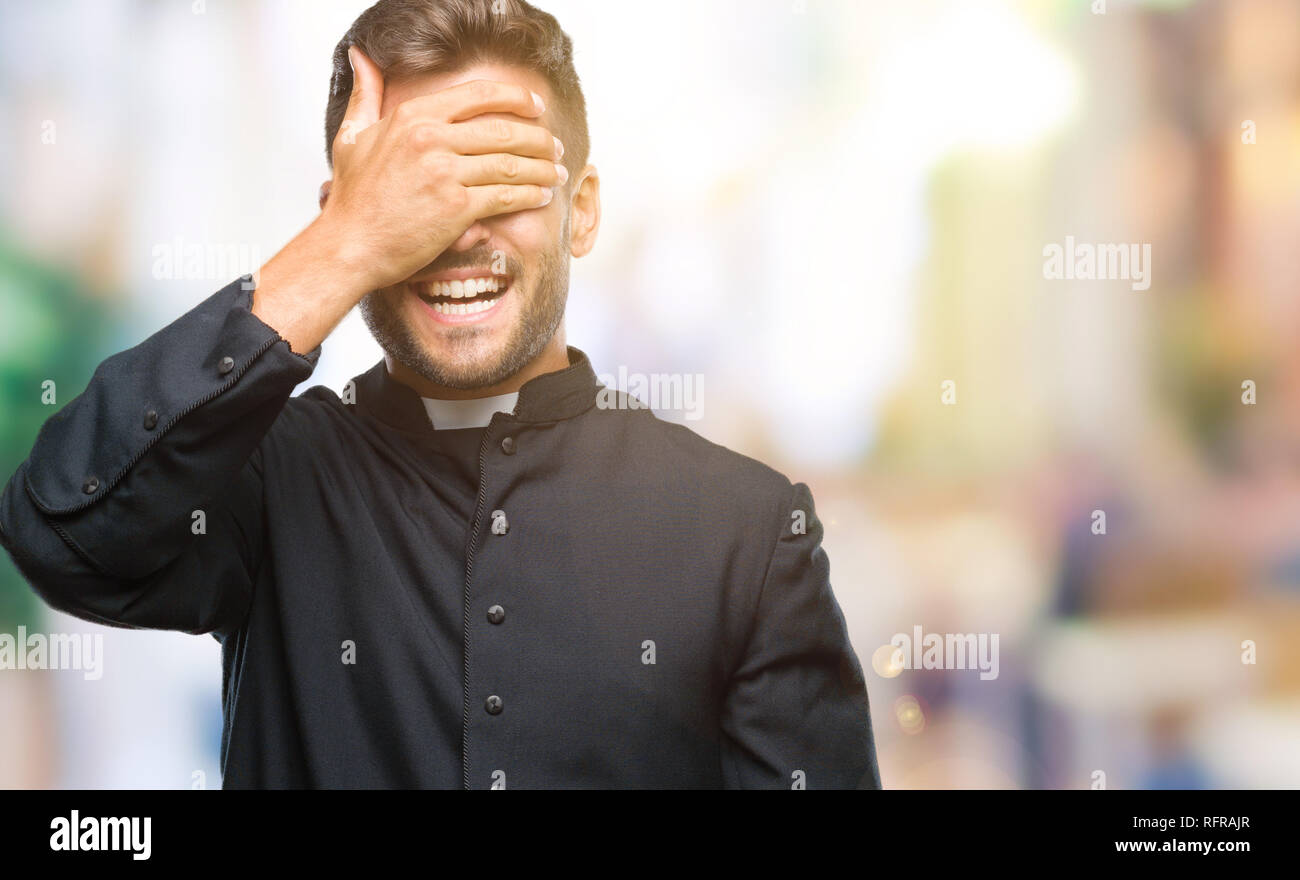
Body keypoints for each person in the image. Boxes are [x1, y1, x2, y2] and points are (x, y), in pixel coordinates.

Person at [0, 0, 880, 789]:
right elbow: (61, 532)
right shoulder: (264, 481)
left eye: (499, 179)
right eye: (415, 192)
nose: (458, 234)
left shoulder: (749, 534)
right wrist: (342, 244)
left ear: (582, 210)